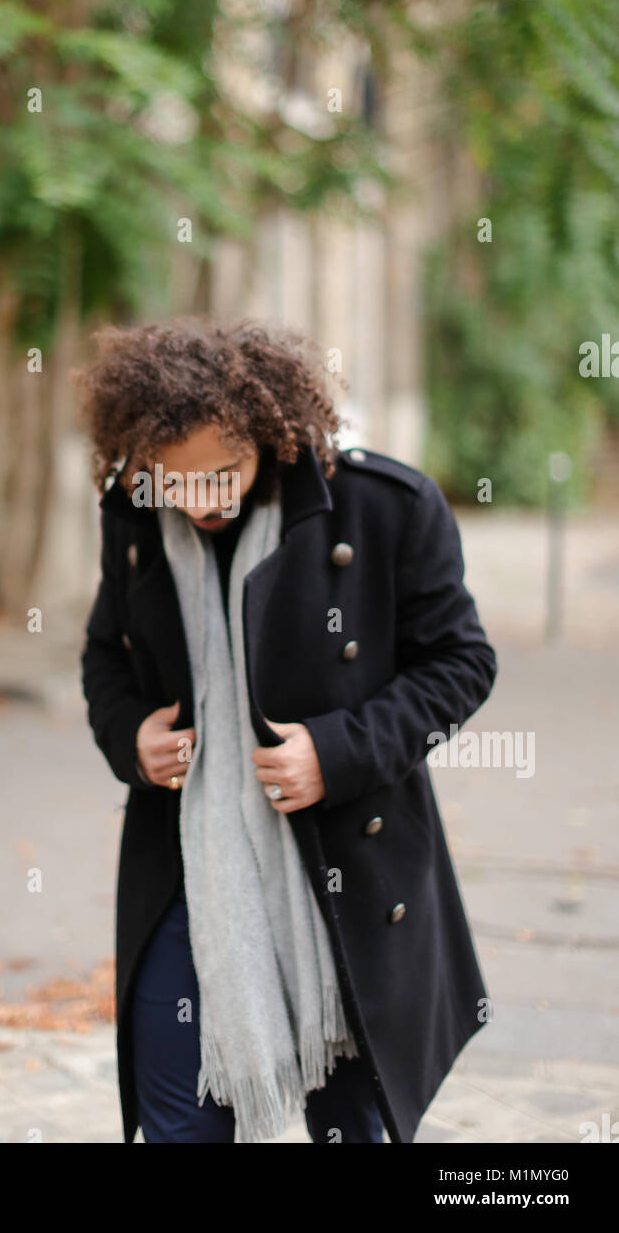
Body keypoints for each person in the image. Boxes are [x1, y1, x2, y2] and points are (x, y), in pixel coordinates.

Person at [74, 318, 497, 1144]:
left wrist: (335, 753)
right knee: (177, 1126)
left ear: (268, 436)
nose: (202, 502)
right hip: (187, 867)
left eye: (223, 474)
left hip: (341, 873)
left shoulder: (382, 509)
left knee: (351, 1128)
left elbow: (461, 663)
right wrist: (131, 737)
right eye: (175, 483)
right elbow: (103, 653)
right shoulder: (132, 519)